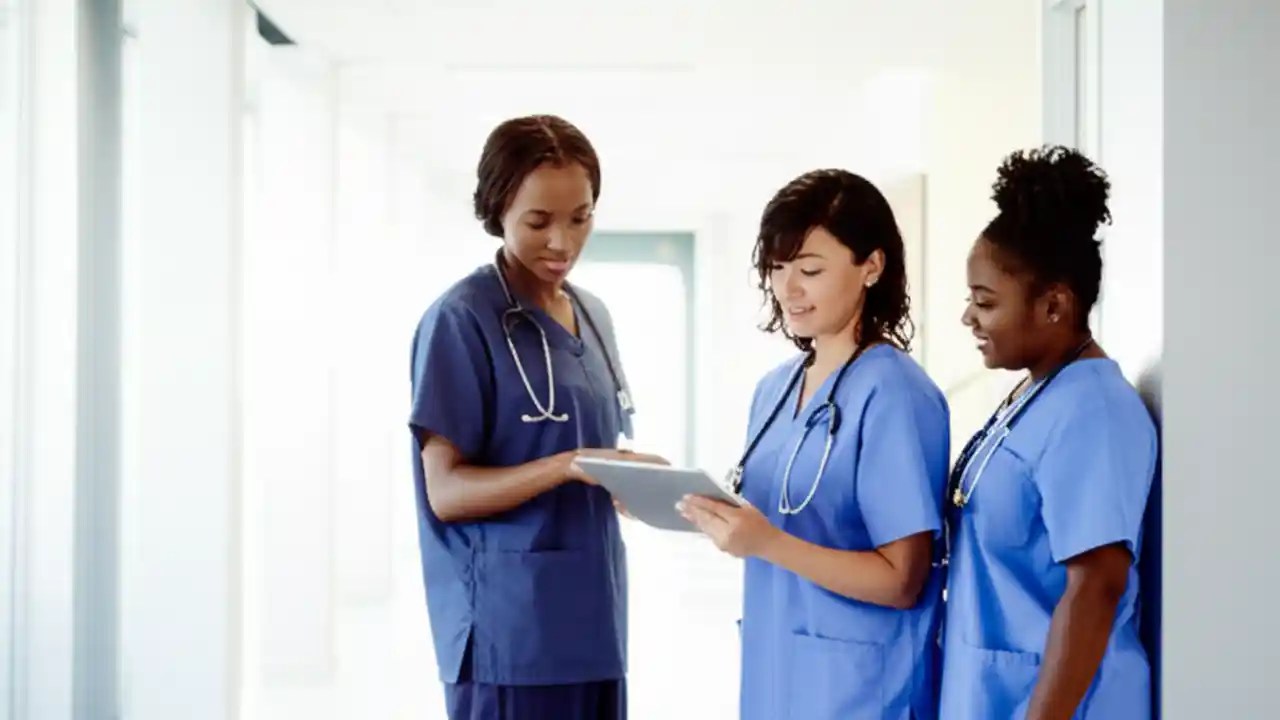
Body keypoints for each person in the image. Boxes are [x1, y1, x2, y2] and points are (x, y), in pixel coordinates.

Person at [407, 114, 663, 720]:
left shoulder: (593, 314)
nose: (563, 243)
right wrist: (570, 465)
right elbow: (444, 492)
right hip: (510, 634)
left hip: (595, 620)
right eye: (538, 222)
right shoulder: (461, 319)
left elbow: (585, 452)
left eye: (581, 217)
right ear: (497, 212)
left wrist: (629, 480)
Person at [679, 169, 951, 720]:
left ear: (871, 266)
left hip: (863, 691)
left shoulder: (895, 392)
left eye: (810, 270)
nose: (787, 289)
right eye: (777, 269)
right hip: (778, 676)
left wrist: (767, 543)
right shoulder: (774, 390)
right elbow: (774, 521)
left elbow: (904, 580)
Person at [939, 146, 1157, 718]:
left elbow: (1097, 587)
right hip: (995, 693)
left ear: (1054, 304)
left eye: (984, 302)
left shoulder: (1095, 411)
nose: (969, 318)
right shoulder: (1039, 394)